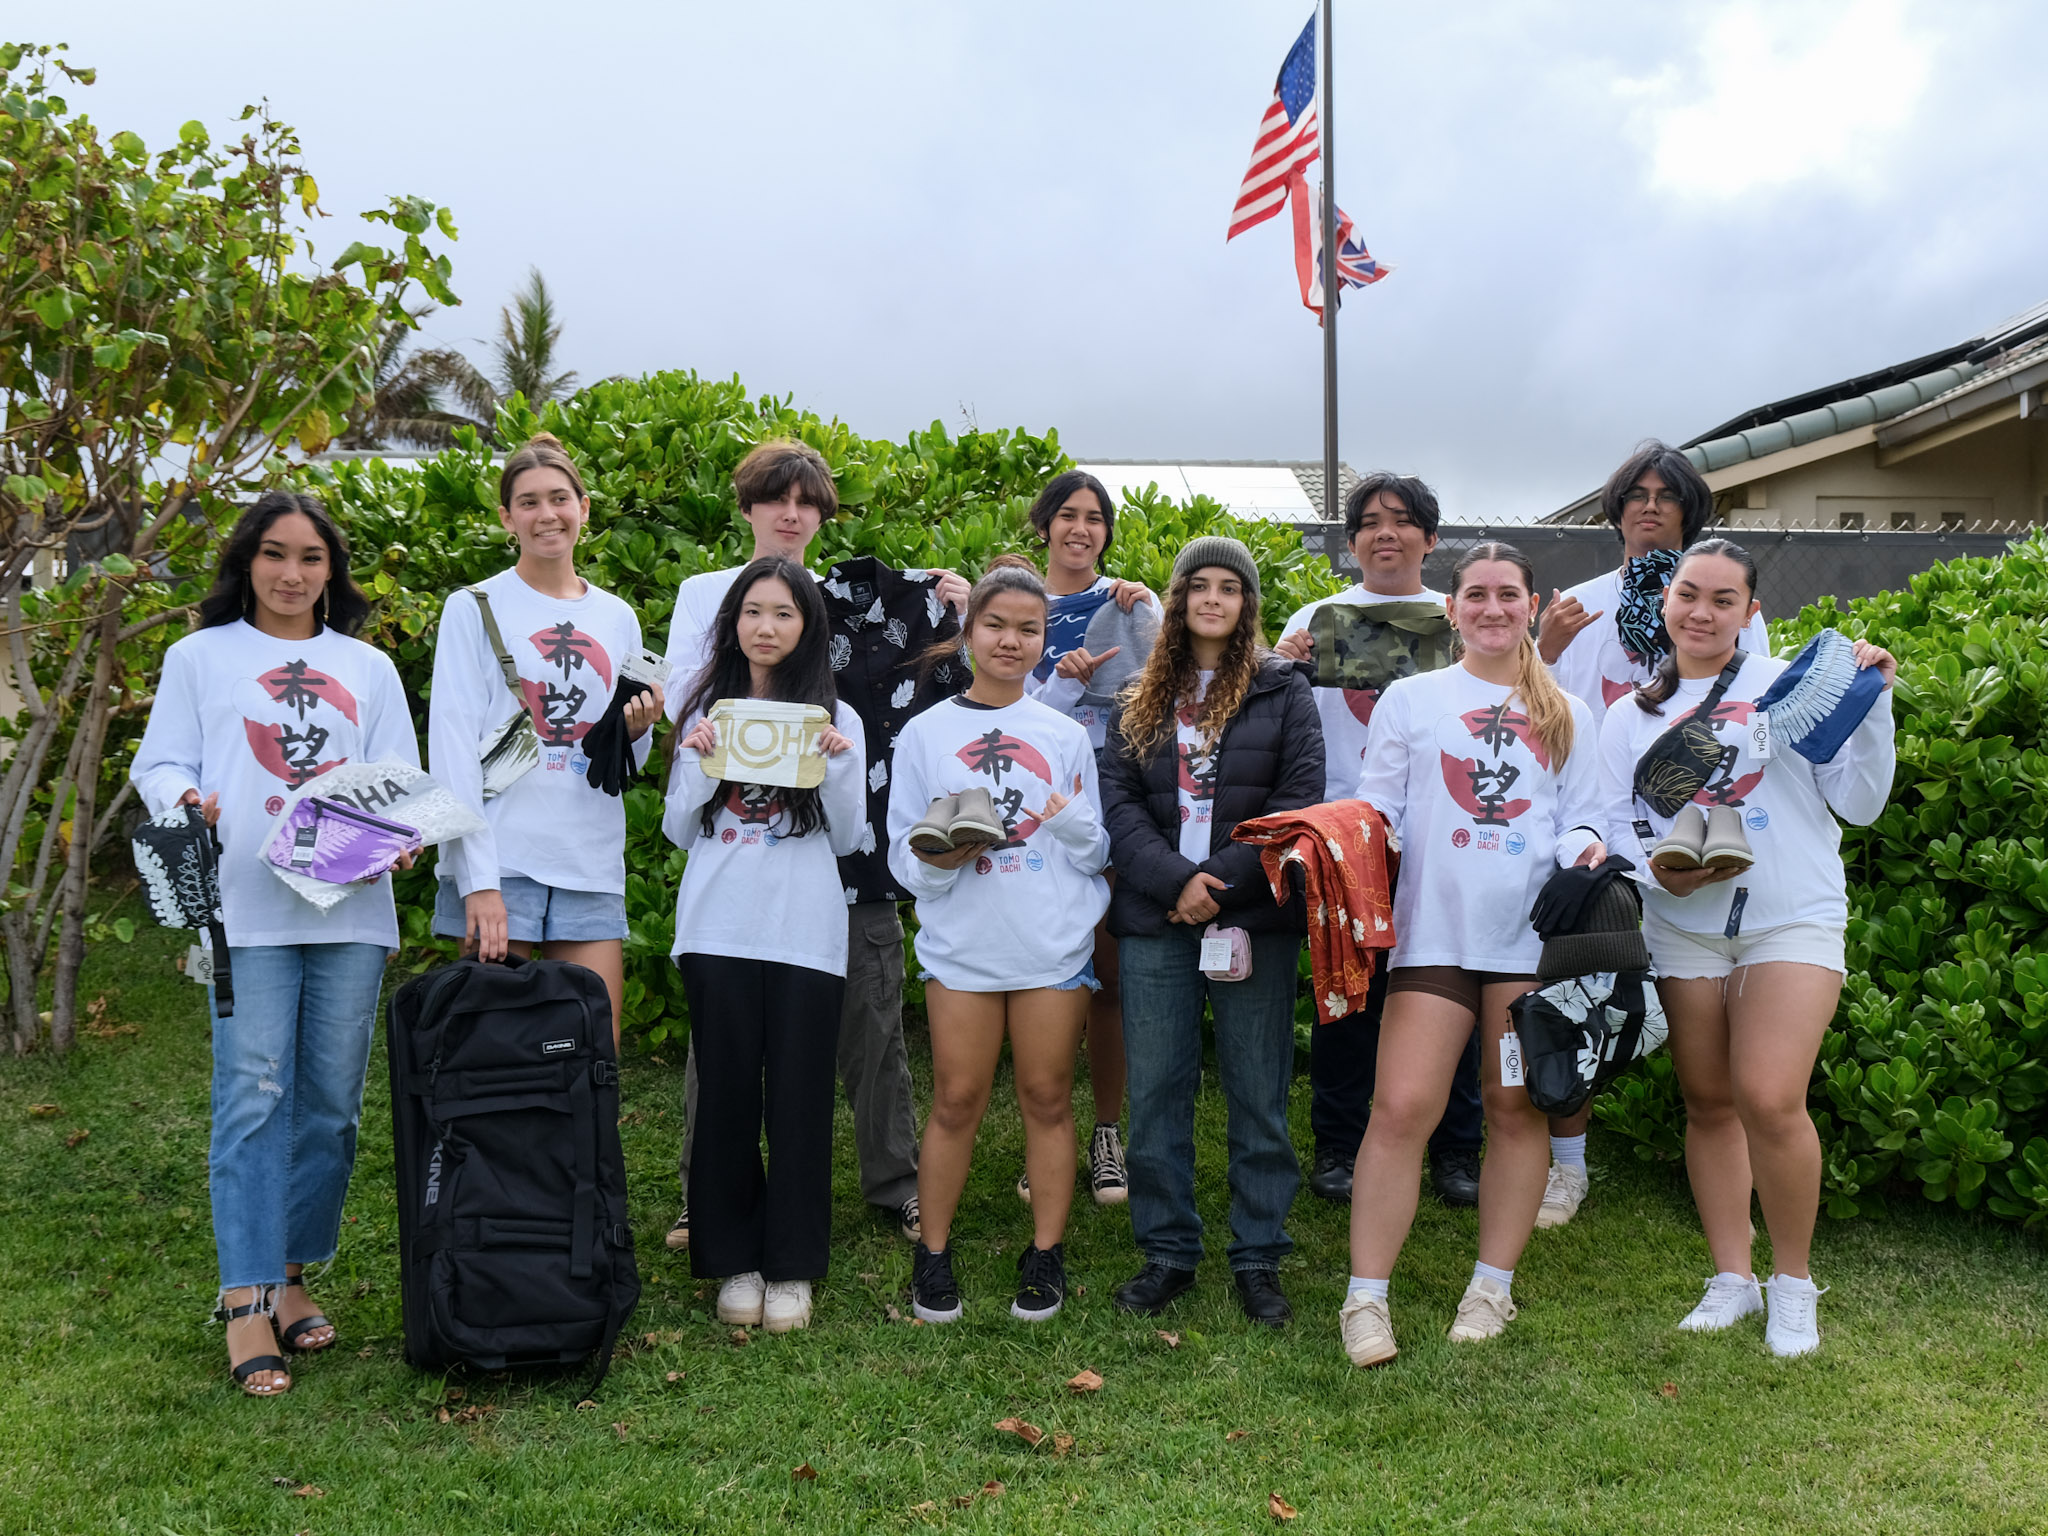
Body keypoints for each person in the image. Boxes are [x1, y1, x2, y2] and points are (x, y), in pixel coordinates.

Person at [132, 491, 421, 1396]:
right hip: (245, 910)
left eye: (310, 558)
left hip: (349, 909)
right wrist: (186, 801)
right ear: (246, 562)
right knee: (254, 1099)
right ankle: (244, 1300)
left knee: (330, 1107)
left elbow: (399, 781)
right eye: (274, 554)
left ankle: (293, 1276)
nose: (291, 574)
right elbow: (161, 761)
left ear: (332, 572)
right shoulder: (200, 657)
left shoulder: (366, 668)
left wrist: (403, 832)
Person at [664, 440, 968, 1253]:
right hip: (739, 851)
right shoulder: (704, 594)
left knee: (870, 1019)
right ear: (748, 508)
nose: (791, 515)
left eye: (807, 503)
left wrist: (953, 604)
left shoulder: (852, 598)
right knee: (721, 1040)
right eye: (775, 499)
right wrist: (722, 745)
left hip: (847, 843)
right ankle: (706, 1192)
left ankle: (895, 1180)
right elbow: (687, 705)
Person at [1599, 538, 1895, 1357]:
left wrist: (1875, 711)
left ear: (1751, 612)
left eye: (1723, 599)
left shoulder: (1792, 685)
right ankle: (1733, 1276)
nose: (1701, 611)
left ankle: (1794, 1285)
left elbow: (1862, 804)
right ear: (1666, 604)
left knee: (1768, 1097)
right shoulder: (1630, 715)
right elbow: (1612, 825)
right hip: (1684, 925)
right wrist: (1661, 878)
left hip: (1790, 915)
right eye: (1688, 594)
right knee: (1708, 1102)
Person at [1338, 543, 1605, 1368]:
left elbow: (1586, 818)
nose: (1493, 609)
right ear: (1451, 608)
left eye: (1509, 595)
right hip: (1436, 937)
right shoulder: (1412, 700)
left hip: (1527, 942)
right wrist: (1347, 841)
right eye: (1477, 595)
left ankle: (1492, 1285)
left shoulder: (1567, 709)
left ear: (1533, 604)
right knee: (1401, 1109)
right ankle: (1365, 1298)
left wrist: (1583, 857)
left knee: (1514, 1108)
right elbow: (1378, 804)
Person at [1531, 441, 1773, 1229]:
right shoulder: (1579, 605)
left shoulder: (1737, 609)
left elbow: (1752, 724)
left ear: (1690, 510)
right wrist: (1546, 651)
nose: (1648, 506)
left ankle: (1738, 1173)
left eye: (1666, 496)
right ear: (1615, 508)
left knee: (1724, 1035)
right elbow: (1547, 726)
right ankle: (1567, 1167)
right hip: (1599, 834)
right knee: (1574, 987)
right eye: (1634, 493)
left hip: (1707, 852)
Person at [1098, 537, 1323, 1326]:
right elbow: (1117, 805)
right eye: (1201, 586)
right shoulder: (1139, 694)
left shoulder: (1284, 690)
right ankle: (1167, 1252)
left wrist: (1216, 884)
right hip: (1157, 918)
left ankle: (1258, 1254)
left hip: (1252, 920)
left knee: (1257, 1090)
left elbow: (1297, 801)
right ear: (1180, 598)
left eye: (1232, 588)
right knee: (1157, 1091)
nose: (1215, 600)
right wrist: (1173, 882)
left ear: (1248, 603)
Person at [889, 563, 1111, 1324]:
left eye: (1029, 629)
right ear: (968, 633)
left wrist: (1068, 819)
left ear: (1045, 640)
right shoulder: (926, 733)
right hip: (963, 948)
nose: (1011, 641)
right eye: (996, 626)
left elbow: (1094, 849)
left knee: (1047, 1096)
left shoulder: (1062, 733)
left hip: (1049, 944)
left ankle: (1046, 1252)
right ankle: (933, 1253)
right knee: (956, 1098)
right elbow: (900, 852)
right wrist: (941, 864)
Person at [665, 557, 868, 1333]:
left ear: (807, 625)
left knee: (798, 1097)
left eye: (784, 613)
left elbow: (849, 836)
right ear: (733, 622)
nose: (766, 627)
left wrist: (841, 772)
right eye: (753, 612)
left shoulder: (833, 716)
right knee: (723, 1094)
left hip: (805, 932)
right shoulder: (704, 709)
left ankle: (791, 1266)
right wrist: (692, 758)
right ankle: (735, 1259)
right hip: (717, 924)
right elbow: (679, 830)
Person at [1274, 474, 1483, 1209]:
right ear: (1352, 540)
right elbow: (1272, 725)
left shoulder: (1458, 619)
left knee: (1448, 990)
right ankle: (1338, 1144)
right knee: (1346, 995)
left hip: (1447, 834)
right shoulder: (1315, 615)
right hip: (1346, 840)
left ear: (1431, 538)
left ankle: (1459, 1150)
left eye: (1402, 521)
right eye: (1368, 522)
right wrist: (1285, 666)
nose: (1384, 533)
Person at [427, 433, 664, 1045]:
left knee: (593, 1047)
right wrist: (477, 882)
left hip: (589, 855)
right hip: (501, 857)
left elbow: (614, 760)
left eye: (560, 498)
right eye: (528, 502)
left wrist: (636, 730)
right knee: (493, 1051)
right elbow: (451, 745)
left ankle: (587, 1149)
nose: (546, 514)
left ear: (585, 507)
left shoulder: (617, 616)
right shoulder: (472, 605)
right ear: (507, 517)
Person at [1020, 469, 1164, 1207]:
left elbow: (1168, 694)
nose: (1081, 529)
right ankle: (1039, 1134)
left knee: (1107, 983)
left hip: (1114, 813)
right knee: (1036, 979)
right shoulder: (1012, 608)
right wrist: (1065, 683)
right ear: (1042, 525)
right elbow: (1004, 726)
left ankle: (1107, 1133)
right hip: (1032, 822)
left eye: (1095, 518)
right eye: (1067, 515)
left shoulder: (1129, 606)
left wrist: (1156, 613)